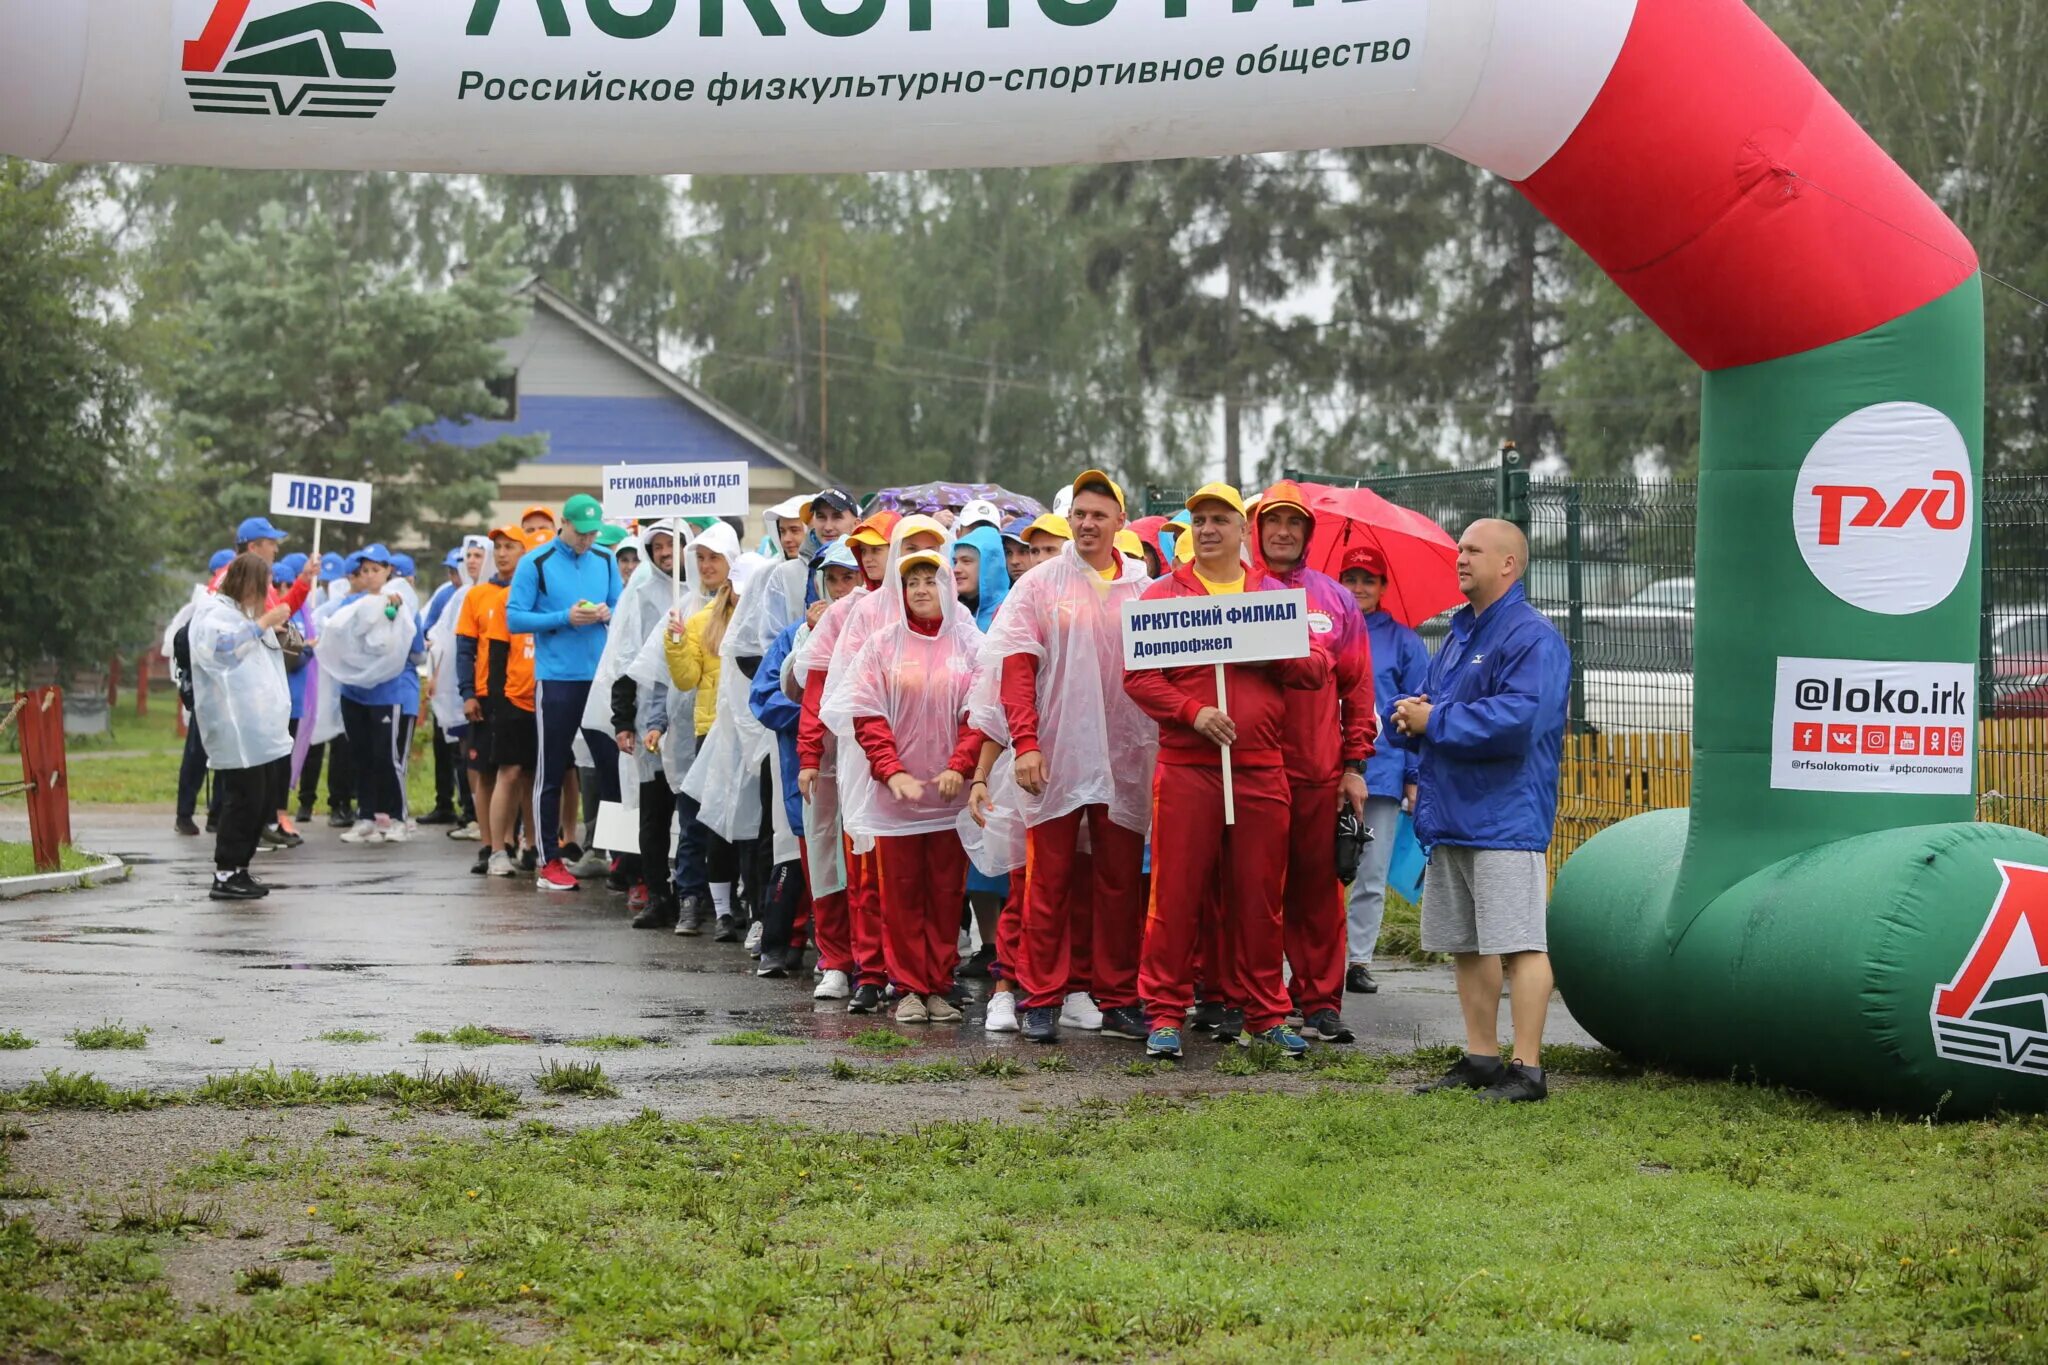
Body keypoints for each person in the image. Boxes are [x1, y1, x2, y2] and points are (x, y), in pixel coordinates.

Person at [1123, 483, 1330, 1061]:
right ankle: (1163, 1012)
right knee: (1175, 894)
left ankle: (1265, 1013)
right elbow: (1139, 677)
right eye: (1200, 520)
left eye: (1220, 519)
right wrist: (1194, 712)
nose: (1209, 528)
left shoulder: (1274, 595)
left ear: (1243, 530)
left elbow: (1317, 667)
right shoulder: (1163, 596)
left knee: (1261, 898)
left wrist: (1269, 648)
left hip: (1262, 768)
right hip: (1188, 768)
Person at [972, 473, 1155, 1045]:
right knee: (1047, 881)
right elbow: (1016, 668)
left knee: (1120, 880)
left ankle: (1119, 995)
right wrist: (1025, 743)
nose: (1087, 523)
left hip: (1125, 757)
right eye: (1079, 513)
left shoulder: (1143, 591)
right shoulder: (1041, 585)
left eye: (1100, 514)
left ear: (1120, 523)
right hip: (1054, 756)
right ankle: (1042, 997)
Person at [1391, 518, 1570, 1103]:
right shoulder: (1463, 632)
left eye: (1472, 550)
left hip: (1504, 817)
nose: (1460, 558)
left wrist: (1434, 720)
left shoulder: (1532, 637)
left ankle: (1529, 1069)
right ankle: (1482, 1058)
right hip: (1454, 813)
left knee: (1520, 943)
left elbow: (1519, 720)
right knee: (1465, 942)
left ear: (1508, 565)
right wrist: (1415, 714)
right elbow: (1452, 709)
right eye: (1458, 549)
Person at [823, 530, 985, 1025]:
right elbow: (866, 715)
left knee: (944, 893)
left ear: (948, 587)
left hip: (947, 796)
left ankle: (938, 983)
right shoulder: (881, 644)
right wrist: (891, 773)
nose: (920, 589)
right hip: (896, 798)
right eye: (911, 580)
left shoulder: (970, 641)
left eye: (930, 579)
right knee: (900, 894)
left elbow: (981, 712)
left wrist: (960, 767)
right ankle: (907, 987)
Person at [1253, 481, 1377, 1045]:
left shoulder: (1336, 600)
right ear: (1257, 530)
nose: (1283, 532)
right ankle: (1252, 1001)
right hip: (1249, 768)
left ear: (1307, 533)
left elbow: (1358, 688)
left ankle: (1320, 1002)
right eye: (1273, 522)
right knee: (1250, 891)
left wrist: (1353, 764)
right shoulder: (1234, 592)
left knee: (1317, 894)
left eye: (1294, 524)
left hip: (1317, 771)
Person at [505, 493, 623, 892]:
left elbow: (621, 608)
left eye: (593, 534)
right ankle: (548, 859)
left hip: (600, 678)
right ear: (565, 525)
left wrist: (608, 613)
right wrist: (564, 618)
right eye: (582, 534)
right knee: (551, 770)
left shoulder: (606, 559)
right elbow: (515, 618)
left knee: (613, 769)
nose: (588, 541)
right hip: (556, 678)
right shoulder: (535, 563)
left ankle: (619, 857)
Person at [1341, 546, 1429, 994]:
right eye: (1351, 577)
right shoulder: (1322, 627)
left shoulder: (1406, 642)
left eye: (1368, 580)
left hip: (1383, 773)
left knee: (1371, 872)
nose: (1358, 588)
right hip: (1328, 769)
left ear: (1382, 587)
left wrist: (1413, 776)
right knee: (1320, 868)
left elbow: (1421, 711)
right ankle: (1309, 961)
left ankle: (1357, 960)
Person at [188, 553, 294, 900]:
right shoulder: (213, 614)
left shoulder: (237, 614)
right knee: (242, 800)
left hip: (255, 730)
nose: (266, 593)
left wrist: (268, 628)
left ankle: (241, 868)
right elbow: (224, 651)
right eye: (263, 586)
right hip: (234, 729)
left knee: (260, 800)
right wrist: (263, 623)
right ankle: (225, 871)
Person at [663, 522, 745, 936]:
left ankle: (736, 906)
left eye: (714, 557)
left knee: (741, 824)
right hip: (708, 729)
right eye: (700, 558)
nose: (707, 565)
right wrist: (675, 642)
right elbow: (685, 679)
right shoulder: (697, 621)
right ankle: (692, 901)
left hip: (745, 731)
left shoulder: (751, 610)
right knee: (698, 820)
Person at [319, 545, 420, 846]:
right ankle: (366, 817)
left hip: (388, 693)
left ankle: (398, 817)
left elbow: (414, 647)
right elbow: (334, 634)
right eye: (365, 570)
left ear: (388, 571)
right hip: (354, 692)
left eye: (377, 569)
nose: (371, 575)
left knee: (387, 758)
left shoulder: (400, 604)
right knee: (360, 756)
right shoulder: (349, 605)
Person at [481, 526, 544, 877]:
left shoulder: (555, 595)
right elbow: (497, 654)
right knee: (509, 772)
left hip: (547, 699)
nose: (504, 554)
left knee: (536, 776)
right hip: (514, 699)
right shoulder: (506, 599)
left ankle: (532, 845)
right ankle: (496, 849)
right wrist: (496, 704)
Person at [171, 548, 235, 836]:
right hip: (208, 693)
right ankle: (185, 813)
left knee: (223, 754)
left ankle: (214, 814)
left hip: (226, 694)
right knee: (198, 754)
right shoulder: (204, 609)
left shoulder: (227, 608)